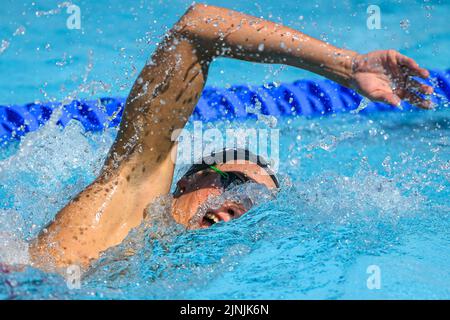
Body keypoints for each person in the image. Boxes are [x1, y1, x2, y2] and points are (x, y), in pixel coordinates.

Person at [29, 3, 433, 271]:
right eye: (235, 181)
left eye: (257, 202)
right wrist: (347, 67)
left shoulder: (175, 273)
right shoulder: (126, 203)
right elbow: (196, 28)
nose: (237, 203)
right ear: (188, 179)